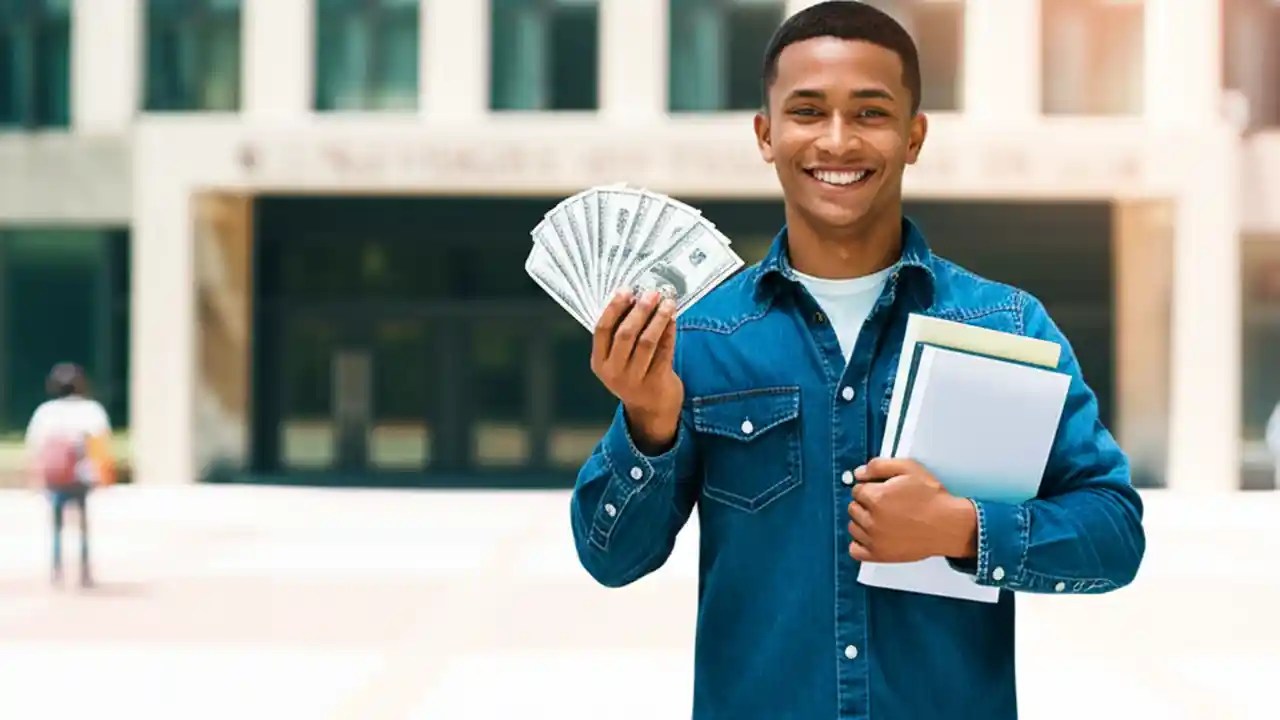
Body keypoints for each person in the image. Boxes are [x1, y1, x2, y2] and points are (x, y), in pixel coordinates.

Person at [569, 3, 1146, 718]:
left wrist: (962, 527)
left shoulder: (1007, 326)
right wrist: (648, 420)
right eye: (807, 111)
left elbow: (1115, 535)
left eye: (870, 113)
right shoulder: (700, 340)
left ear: (914, 135)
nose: (837, 141)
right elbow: (610, 559)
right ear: (766, 134)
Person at [25, 362, 114, 588]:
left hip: (56, 477)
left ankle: (57, 570)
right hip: (83, 475)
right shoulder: (92, 410)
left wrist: (35, 477)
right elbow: (101, 443)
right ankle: (84, 571)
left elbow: (35, 446)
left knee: (56, 523)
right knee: (82, 522)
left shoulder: (45, 412)